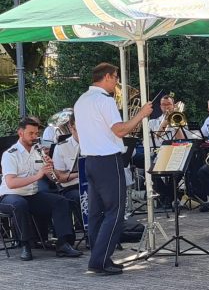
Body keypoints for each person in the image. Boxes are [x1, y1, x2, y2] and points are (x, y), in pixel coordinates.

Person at [74, 62, 153, 275]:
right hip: (107, 161)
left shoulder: (81, 100)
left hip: (90, 160)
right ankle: (100, 260)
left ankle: (98, 257)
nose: (117, 82)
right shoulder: (104, 101)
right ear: (107, 77)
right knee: (115, 211)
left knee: (96, 213)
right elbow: (120, 130)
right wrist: (142, 114)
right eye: (116, 78)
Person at [0, 117, 81, 261]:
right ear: (21, 133)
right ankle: (25, 244)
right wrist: (38, 175)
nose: (35, 137)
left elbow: (52, 177)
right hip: (10, 195)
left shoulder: (38, 151)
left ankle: (63, 244)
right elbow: (11, 183)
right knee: (19, 204)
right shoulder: (10, 154)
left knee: (60, 201)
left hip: (31, 194)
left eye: (36, 133)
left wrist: (51, 169)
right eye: (31, 133)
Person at [52, 113, 84, 232]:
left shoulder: (94, 142)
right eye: (78, 129)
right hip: (71, 187)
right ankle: (90, 233)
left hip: (93, 183)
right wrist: (81, 173)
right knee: (80, 197)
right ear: (71, 127)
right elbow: (59, 177)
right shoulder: (61, 147)